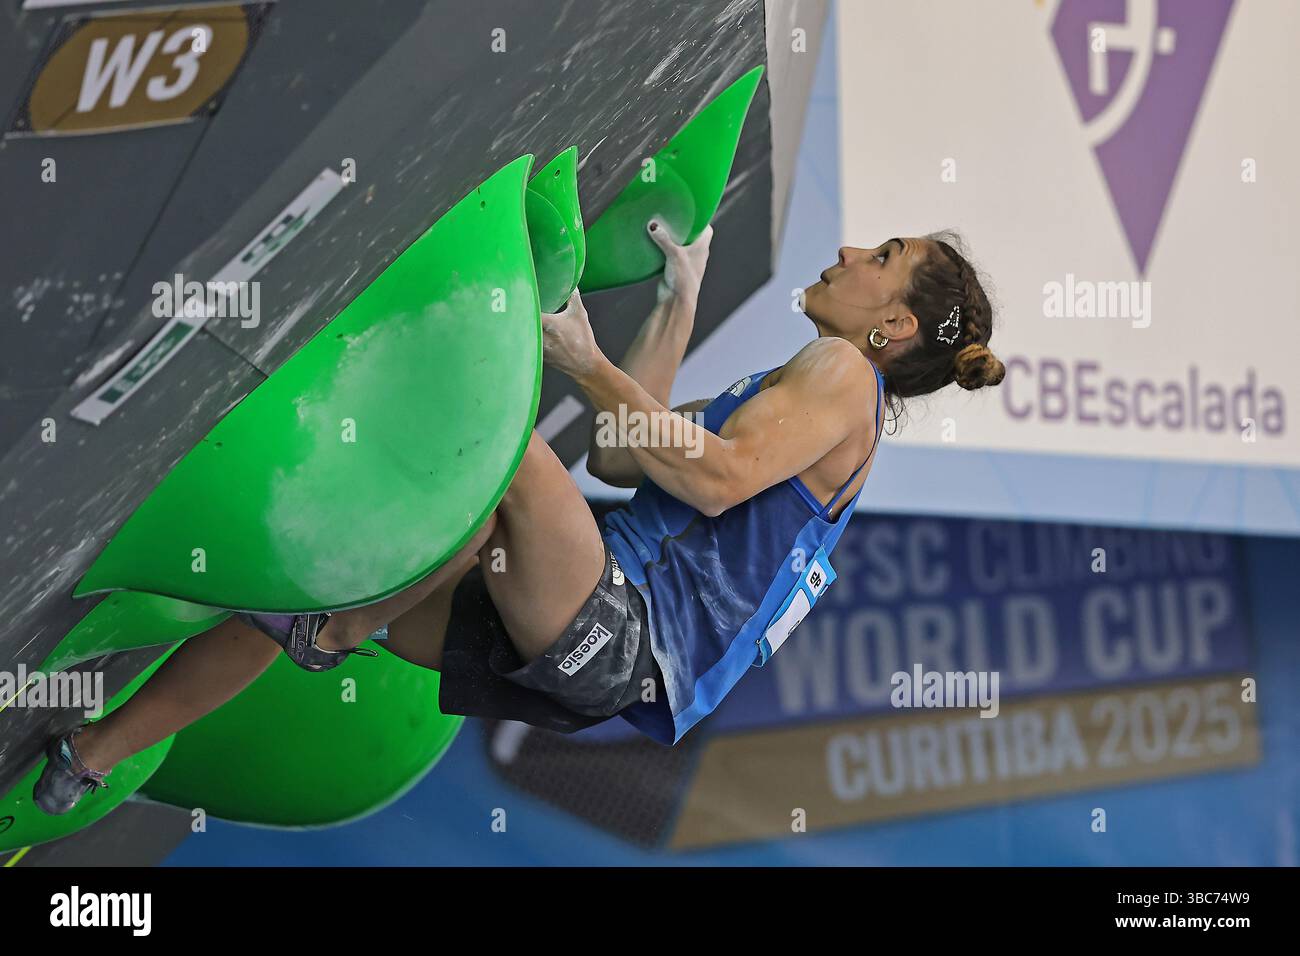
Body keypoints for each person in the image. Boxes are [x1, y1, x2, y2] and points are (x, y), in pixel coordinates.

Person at [35, 219, 1004, 813]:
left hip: (619, 629)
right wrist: (679, 298)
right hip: (589, 661)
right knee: (325, 580)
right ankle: (89, 755)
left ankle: (333, 627)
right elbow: (622, 452)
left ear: (894, 327)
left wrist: (585, 360)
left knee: (490, 451)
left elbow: (713, 479)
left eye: (880, 256)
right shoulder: (809, 389)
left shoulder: (841, 373)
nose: (846, 251)